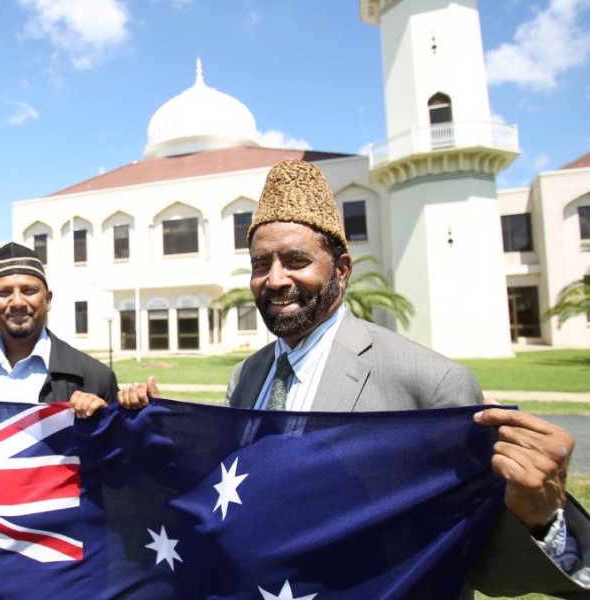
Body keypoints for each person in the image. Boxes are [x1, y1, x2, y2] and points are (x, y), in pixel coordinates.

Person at [216, 158, 589, 597]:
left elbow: (478, 558)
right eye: (262, 264)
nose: (275, 279)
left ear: (341, 270)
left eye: (296, 260)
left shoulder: (429, 382)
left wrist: (540, 518)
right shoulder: (247, 375)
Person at [0, 242, 118, 413]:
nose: (17, 302)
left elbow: (118, 448)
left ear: (48, 300)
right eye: (4, 292)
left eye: (29, 290)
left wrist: (101, 419)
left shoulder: (94, 379)